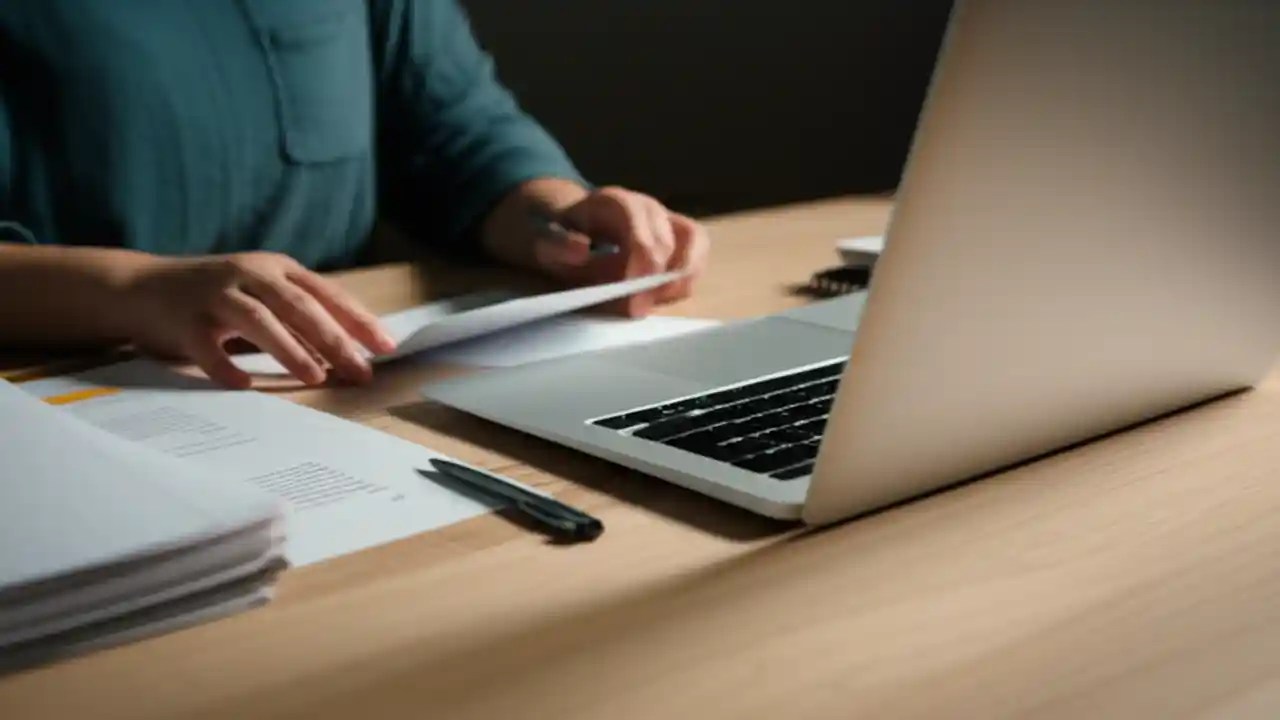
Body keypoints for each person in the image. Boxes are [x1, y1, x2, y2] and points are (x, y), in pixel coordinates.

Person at [0, 1, 710, 388]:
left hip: (333, 387)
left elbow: (452, 127)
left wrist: (557, 219)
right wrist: (133, 290)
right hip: (70, 391)